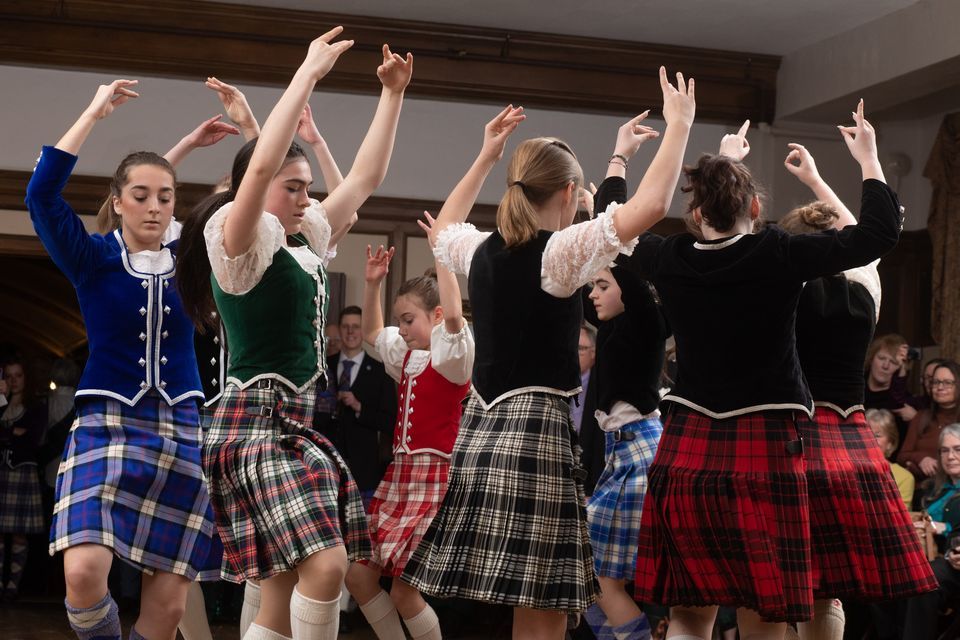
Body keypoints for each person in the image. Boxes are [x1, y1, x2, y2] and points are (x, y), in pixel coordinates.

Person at [402, 66, 696, 640]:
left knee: (538, 612)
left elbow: (444, 229)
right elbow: (655, 203)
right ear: (567, 194)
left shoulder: (483, 251)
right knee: (543, 614)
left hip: (482, 435)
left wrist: (487, 154)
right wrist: (680, 123)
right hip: (534, 439)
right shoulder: (558, 255)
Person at [624, 101, 927, 639]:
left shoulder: (669, 256)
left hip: (688, 445)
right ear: (757, 206)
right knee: (771, 602)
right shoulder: (780, 254)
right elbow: (877, 235)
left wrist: (621, 162)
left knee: (693, 611)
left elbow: (615, 226)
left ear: (697, 214)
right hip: (769, 447)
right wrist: (868, 159)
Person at [175, 28, 413, 640]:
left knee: (280, 596)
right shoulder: (237, 244)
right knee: (328, 565)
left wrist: (392, 96)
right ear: (258, 189)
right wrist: (306, 73)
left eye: (308, 188)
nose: (308, 198)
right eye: (295, 188)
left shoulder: (305, 238)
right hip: (250, 427)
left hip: (298, 427)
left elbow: (363, 180)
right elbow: (259, 165)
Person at [26, 79, 220, 640]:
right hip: (104, 426)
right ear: (117, 201)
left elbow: (248, 197)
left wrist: (178, 152)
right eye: (140, 196)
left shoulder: (191, 257)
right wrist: (92, 113)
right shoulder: (92, 260)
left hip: (181, 428)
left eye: (166, 197)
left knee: (170, 611)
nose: (155, 207)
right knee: (84, 574)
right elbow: (41, 195)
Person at [778, 124, 934, 639]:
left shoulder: (783, 285)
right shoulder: (866, 284)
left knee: (779, 589)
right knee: (828, 588)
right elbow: (870, 234)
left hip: (792, 442)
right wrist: (825, 179)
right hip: (849, 444)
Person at [343, 244, 473, 640]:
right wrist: (371, 283)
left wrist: (444, 259)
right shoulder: (410, 358)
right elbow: (370, 332)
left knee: (404, 590)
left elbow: (453, 316)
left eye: (409, 320)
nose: (401, 329)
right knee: (359, 578)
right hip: (399, 478)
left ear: (436, 316)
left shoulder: (453, 357)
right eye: (399, 320)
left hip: (434, 479)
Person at [579, 113, 668, 640]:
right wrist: (588, 215)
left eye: (602, 286)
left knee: (598, 575)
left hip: (640, 451)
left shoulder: (641, 321)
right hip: (622, 453)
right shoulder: (611, 326)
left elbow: (620, 242)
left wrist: (620, 160)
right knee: (593, 578)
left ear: (627, 289)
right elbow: (594, 252)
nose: (594, 293)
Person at [322, 306, 397, 505]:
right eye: (345, 326)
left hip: (364, 470)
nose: (350, 332)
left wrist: (359, 407)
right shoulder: (323, 366)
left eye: (356, 327)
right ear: (339, 329)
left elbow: (390, 421)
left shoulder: (382, 372)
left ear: (363, 330)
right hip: (325, 465)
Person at [902, 423, 960, 640]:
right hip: (920, 553)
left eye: (957, 449)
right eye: (945, 450)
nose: (951, 456)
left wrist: (944, 530)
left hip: (946, 560)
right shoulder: (930, 490)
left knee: (926, 577)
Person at [0, 360, 47, 601]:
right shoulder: (2, 405)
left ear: (26, 377)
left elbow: (31, 442)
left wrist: (6, 434)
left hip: (22, 471)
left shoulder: (36, 408)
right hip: (2, 471)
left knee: (19, 534)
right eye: (8, 376)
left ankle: (12, 587)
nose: (13, 380)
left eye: (18, 375)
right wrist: (12, 433)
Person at [898, 361, 960, 481]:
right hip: (920, 490)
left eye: (947, 383)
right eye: (936, 382)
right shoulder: (921, 417)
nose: (940, 387)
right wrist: (921, 458)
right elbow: (902, 456)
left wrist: (913, 466)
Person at [868, 408, 915, 508]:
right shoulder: (846, 470)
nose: (870, 439)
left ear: (890, 443)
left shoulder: (904, 477)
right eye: (866, 434)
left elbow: (900, 516)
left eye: (877, 435)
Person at [570, 325, 596, 433]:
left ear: (593, 353)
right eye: (571, 346)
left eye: (580, 348)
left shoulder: (600, 387)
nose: (573, 353)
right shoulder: (555, 383)